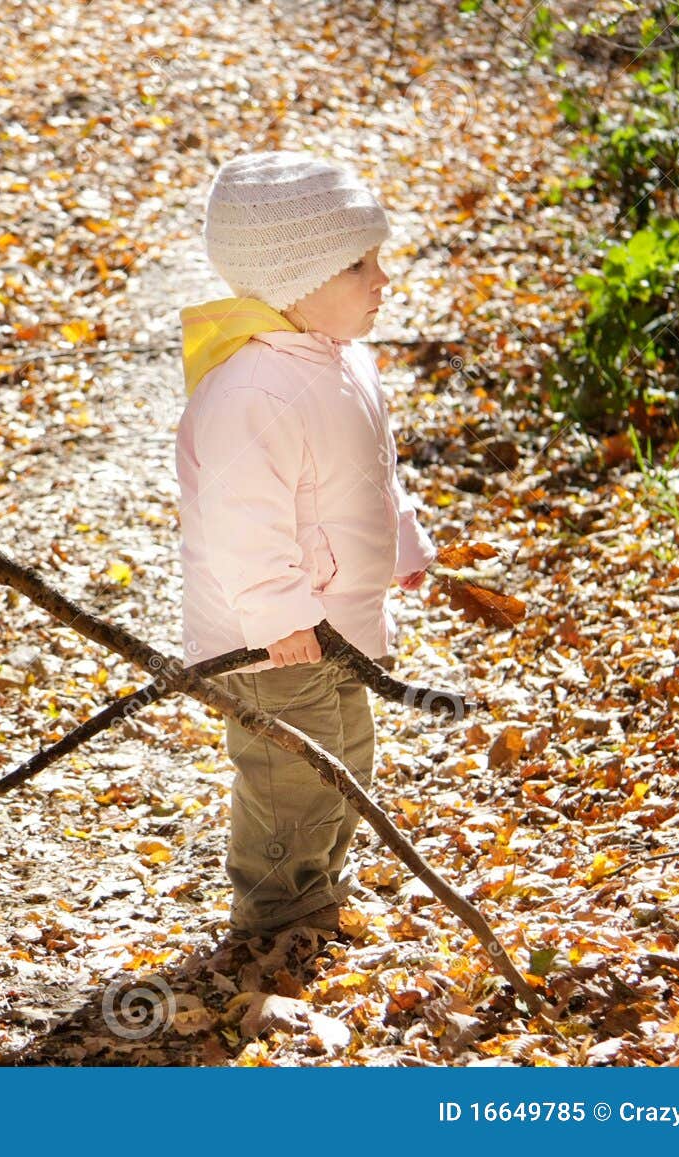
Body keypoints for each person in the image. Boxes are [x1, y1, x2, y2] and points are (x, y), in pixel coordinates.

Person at [176, 151, 436, 939]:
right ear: (294, 283)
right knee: (292, 772)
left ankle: (321, 878)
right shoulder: (252, 389)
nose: (382, 279)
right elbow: (239, 521)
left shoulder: (346, 363)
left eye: (378, 258)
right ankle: (276, 904)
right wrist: (277, 617)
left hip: (341, 622)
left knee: (349, 753)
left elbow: (368, 473)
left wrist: (402, 542)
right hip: (274, 644)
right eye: (359, 265)